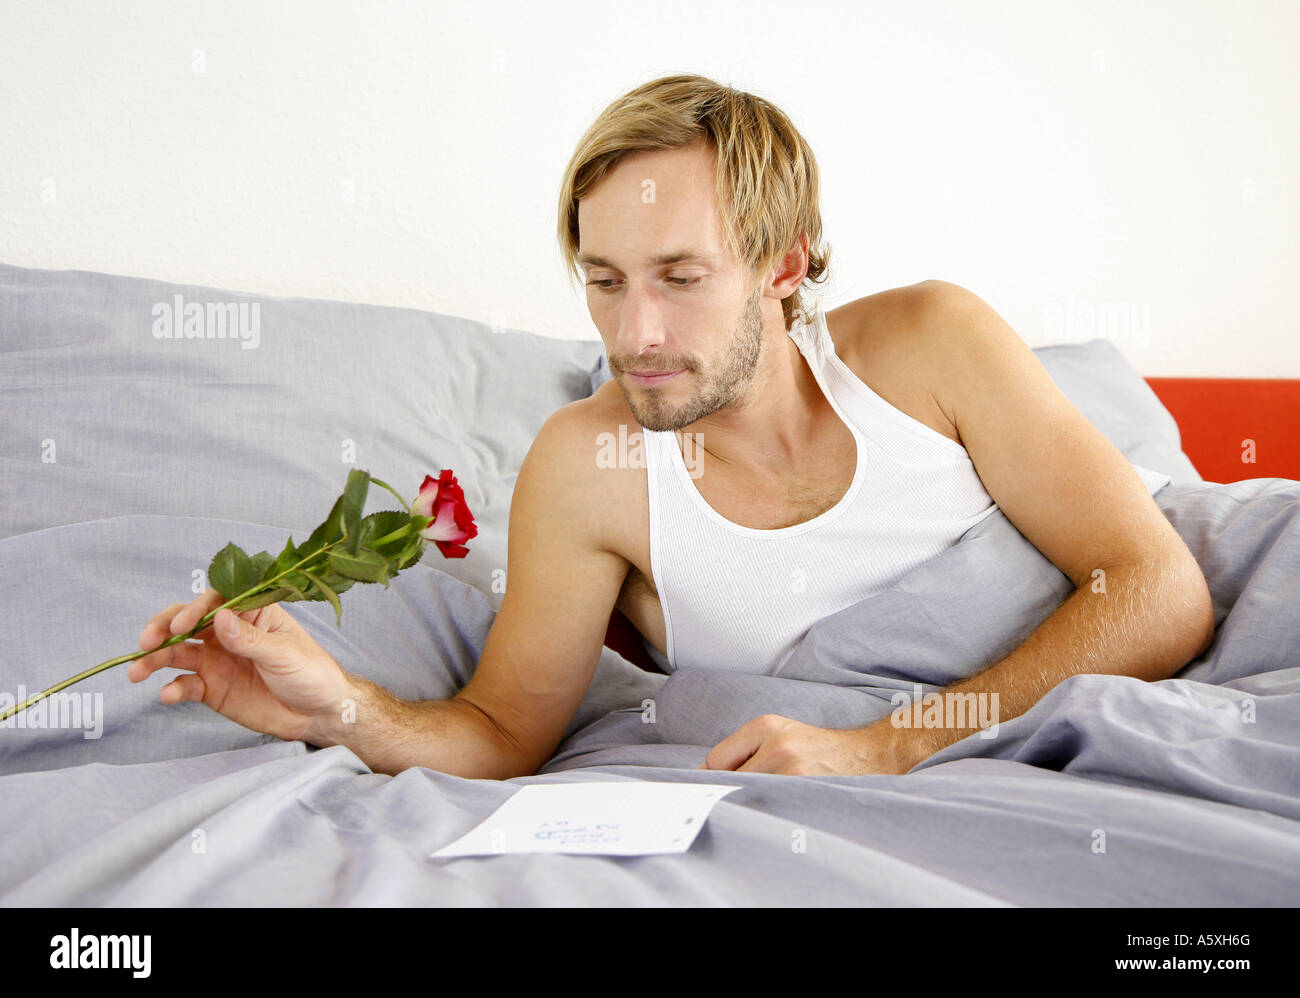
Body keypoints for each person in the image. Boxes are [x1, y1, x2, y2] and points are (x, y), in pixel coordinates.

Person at [133, 74, 1214, 779]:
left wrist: (887, 744)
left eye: (681, 277)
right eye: (603, 280)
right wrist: (337, 707)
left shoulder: (933, 341)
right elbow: (502, 733)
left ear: (783, 267)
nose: (634, 332)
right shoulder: (588, 468)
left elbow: (1156, 586)